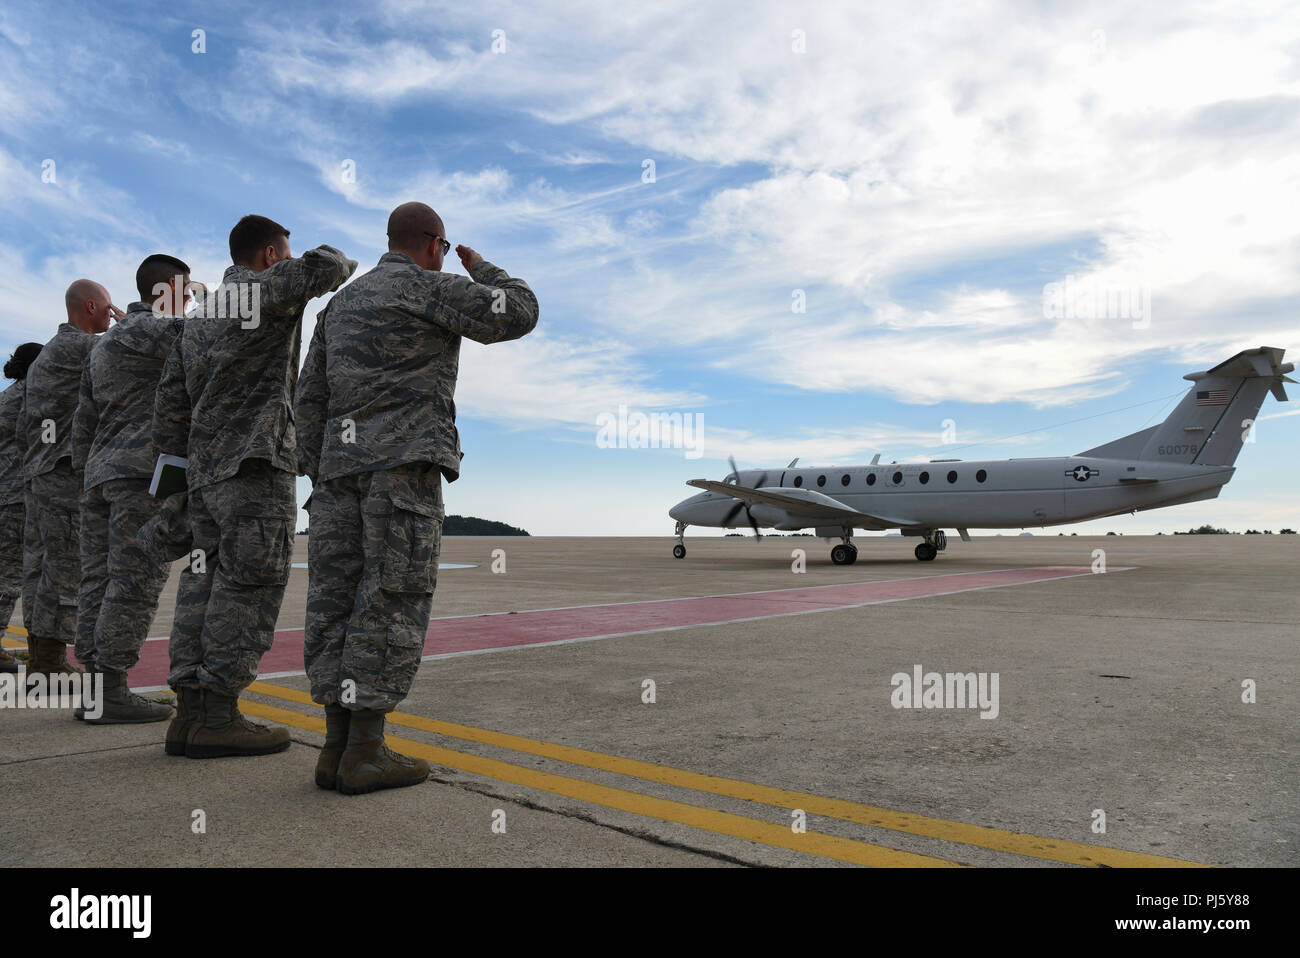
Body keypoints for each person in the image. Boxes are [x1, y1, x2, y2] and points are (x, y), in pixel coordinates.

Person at [295, 201, 538, 794]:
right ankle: (366, 752)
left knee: (335, 603)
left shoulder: (340, 304)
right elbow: (520, 313)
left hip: (335, 480)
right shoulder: (425, 287)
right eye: (445, 249)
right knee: (391, 598)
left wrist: (322, 468)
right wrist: (483, 268)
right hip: (399, 474)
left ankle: (335, 747)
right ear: (435, 244)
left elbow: (307, 399)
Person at [153, 214, 355, 758]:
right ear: (268, 255)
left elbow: (169, 408)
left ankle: (188, 714)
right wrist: (303, 267)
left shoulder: (198, 319)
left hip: (203, 478)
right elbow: (331, 265)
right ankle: (219, 714)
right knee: (250, 589)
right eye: (282, 254)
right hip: (255, 467)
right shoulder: (262, 292)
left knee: (201, 588)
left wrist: (176, 485)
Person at [71, 254, 193, 723]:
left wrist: (89, 473)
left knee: (97, 581)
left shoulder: (100, 347)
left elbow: (84, 422)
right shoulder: (165, 332)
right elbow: (212, 344)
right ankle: (113, 690)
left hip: (100, 474)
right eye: (188, 290)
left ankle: (95, 688)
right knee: (134, 579)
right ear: (167, 290)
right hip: (140, 477)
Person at [20, 281, 122, 684]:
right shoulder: (77, 346)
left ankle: (40, 656)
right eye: (107, 307)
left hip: (42, 470)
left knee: (41, 566)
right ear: (92, 306)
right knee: (65, 566)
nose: (110, 314)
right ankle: (47, 661)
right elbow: (127, 353)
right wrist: (132, 322)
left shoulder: (50, 351)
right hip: (62, 471)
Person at [0, 343, 43, 673]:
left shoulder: (9, 395)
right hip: (15, 498)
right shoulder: (31, 394)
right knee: (8, 579)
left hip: (5, 494)